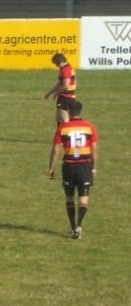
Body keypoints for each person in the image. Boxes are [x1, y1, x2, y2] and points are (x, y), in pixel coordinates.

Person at [47, 101, 98, 239]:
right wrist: (93, 167)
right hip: (84, 166)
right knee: (83, 198)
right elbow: (94, 149)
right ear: (80, 112)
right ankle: (79, 227)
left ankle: (73, 227)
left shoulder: (63, 128)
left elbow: (56, 149)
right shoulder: (89, 127)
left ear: (69, 111)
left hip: (69, 166)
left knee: (69, 198)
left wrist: (51, 167)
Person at [44, 53, 77, 125]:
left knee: (64, 119)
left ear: (61, 62)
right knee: (58, 118)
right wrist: (49, 93)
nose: (57, 66)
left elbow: (65, 85)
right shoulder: (66, 68)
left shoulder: (66, 70)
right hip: (67, 97)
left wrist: (57, 93)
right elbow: (59, 84)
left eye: (57, 64)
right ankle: (60, 134)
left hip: (66, 98)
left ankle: (66, 134)